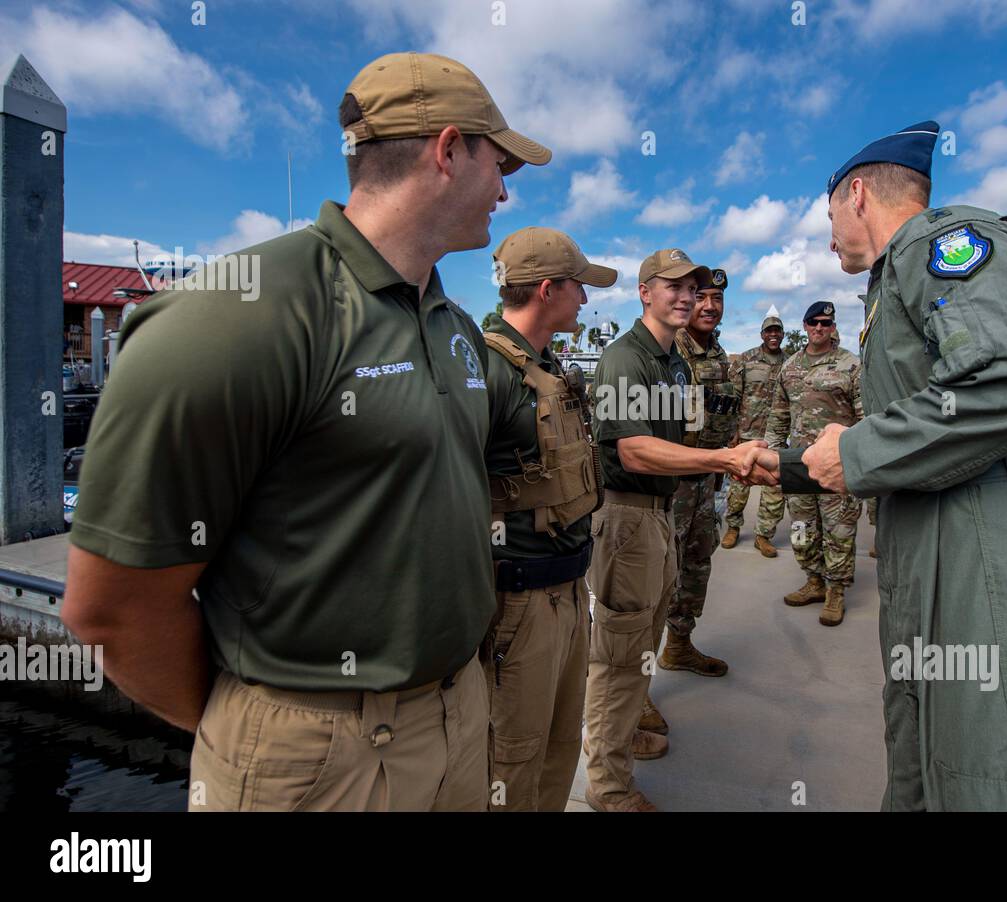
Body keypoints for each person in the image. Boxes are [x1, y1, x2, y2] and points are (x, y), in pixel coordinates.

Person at [60, 52, 550, 812]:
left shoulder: (454, 328)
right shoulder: (244, 316)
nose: (506, 188)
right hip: (316, 754)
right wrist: (258, 731)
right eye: (500, 161)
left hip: (459, 716)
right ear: (449, 151)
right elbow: (112, 609)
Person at [747, 121, 1007, 810]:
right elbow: (921, 425)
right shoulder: (895, 283)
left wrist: (855, 452)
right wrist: (790, 466)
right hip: (933, 554)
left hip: (989, 561)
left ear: (857, 194)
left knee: (1006, 775)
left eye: (828, 214)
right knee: (931, 768)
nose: (828, 235)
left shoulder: (939, 244)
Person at [583, 249, 771, 812]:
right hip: (625, 515)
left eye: (694, 288)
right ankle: (607, 785)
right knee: (617, 654)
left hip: (660, 515)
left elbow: (678, 442)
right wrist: (722, 460)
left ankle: (621, 738)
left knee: (644, 638)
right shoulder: (626, 358)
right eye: (674, 286)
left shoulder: (674, 363)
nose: (688, 297)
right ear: (645, 291)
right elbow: (634, 450)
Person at [482, 226, 616, 811]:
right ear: (546, 289)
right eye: (578, 288)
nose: (585, 300)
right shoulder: (486, 374)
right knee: (511, 758)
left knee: (562, 746)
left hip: (567, 590)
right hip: (518, 604)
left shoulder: (549, 368)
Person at [659, 268, 741, 677]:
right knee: (657, 575)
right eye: (702, 297)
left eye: (718, 300)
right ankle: (633, 691)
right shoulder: (669, 350)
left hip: (707, 479)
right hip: (671, 482)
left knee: (695, 565)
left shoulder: (718, 353)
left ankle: (677, 646)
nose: (710, 306)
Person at [764, 302, 863, 626]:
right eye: (813, 322)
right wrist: (773, 458)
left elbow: (865, 419)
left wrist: (862, 464)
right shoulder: (790, 367)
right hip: (799, 465)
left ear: (833, 327)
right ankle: (814, 580)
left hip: (838, 467)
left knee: (839, 532)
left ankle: (836, 590)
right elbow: (779, 416)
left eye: (826, 323)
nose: (819, 328)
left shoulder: (850, 366)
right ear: (805, 326)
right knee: (801, 529)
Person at [722, 312, 790, 557]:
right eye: (769, 331)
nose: (773, 335)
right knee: (739, 486)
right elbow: (733, 398)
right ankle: (732, 527)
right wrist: (733, 432)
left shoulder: (791, 363)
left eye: (777, 331)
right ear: (762, 335)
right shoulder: (746, 360)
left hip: (776, 438)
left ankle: (763, 535)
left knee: (774, 491)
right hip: (748, 436)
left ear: (782, 334)